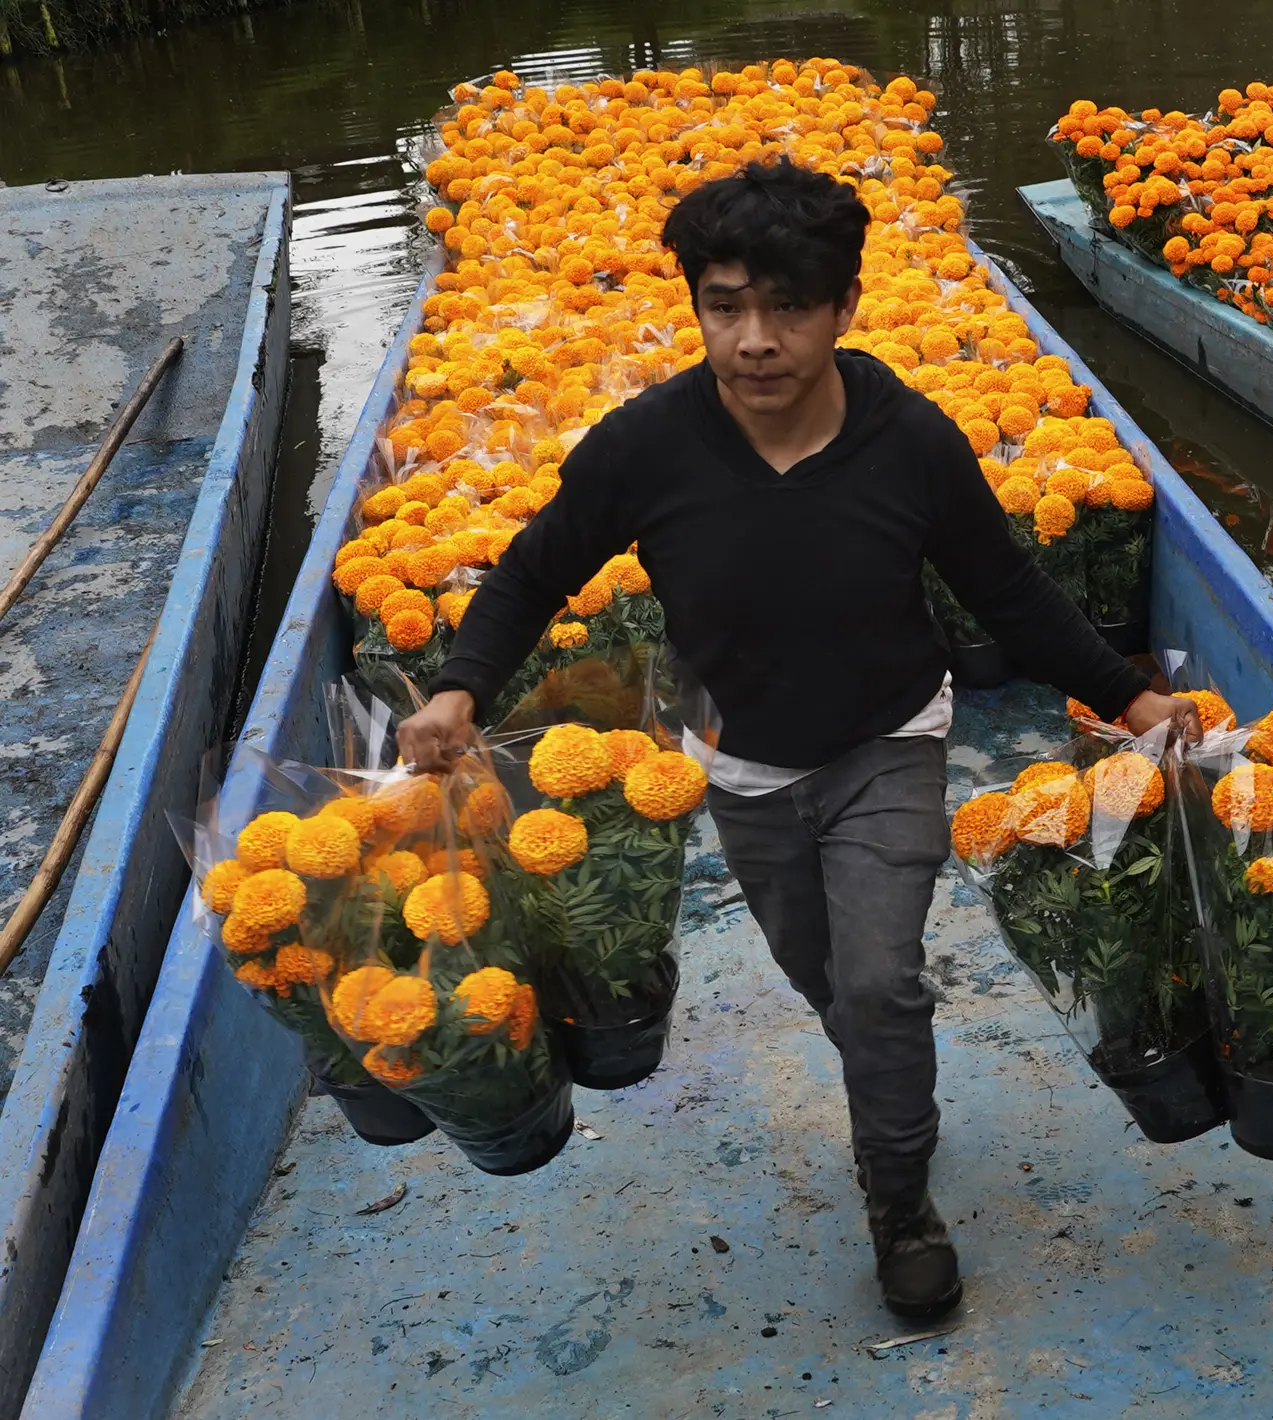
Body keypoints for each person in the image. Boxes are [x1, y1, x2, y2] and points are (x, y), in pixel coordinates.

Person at [394, 159, 1199, 1321]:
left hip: (888, 739)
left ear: (842, 309)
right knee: (823, 976)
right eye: (725, 306)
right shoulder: (647, 447)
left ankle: (900, 1198)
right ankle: (888, 1092)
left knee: (879, 985)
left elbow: (1010, 593)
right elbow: (532, 569)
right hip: (746, 764)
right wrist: (459, 687)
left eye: (786, 308)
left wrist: (1132, 703)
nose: (754, 340)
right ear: (698, 309)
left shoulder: (908, 442)